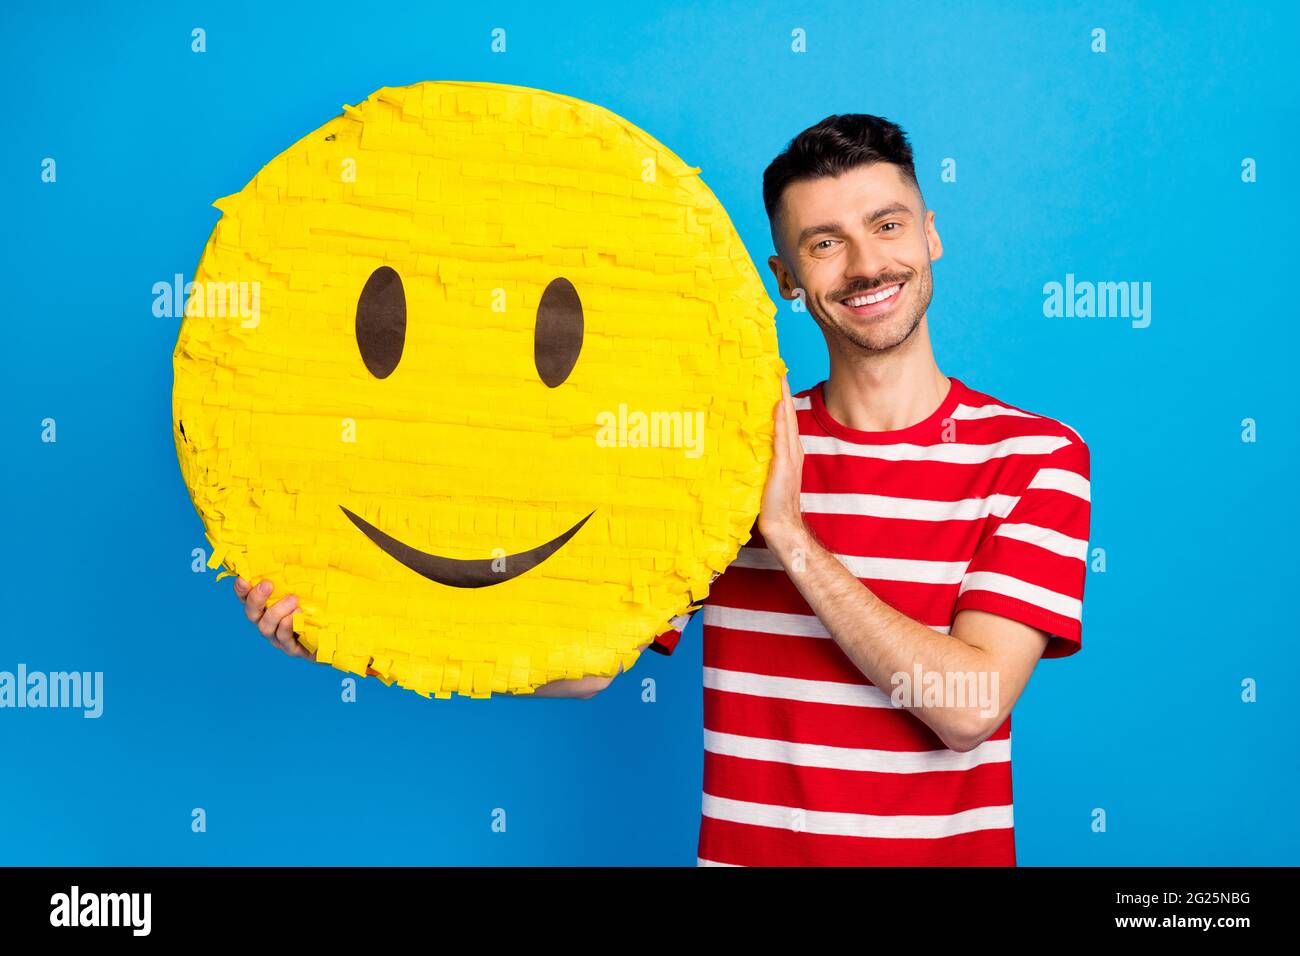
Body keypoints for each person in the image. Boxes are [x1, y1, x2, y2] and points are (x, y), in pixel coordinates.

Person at [240, 112, 1091, 866]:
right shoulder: (722, 450)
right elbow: (585, 670)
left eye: (888, 224)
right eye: (824, 242)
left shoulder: (1033, 455)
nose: (866, 264)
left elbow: (969, 708)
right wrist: (350, 632)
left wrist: (789, 535)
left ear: (930, 235)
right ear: (787, 277)